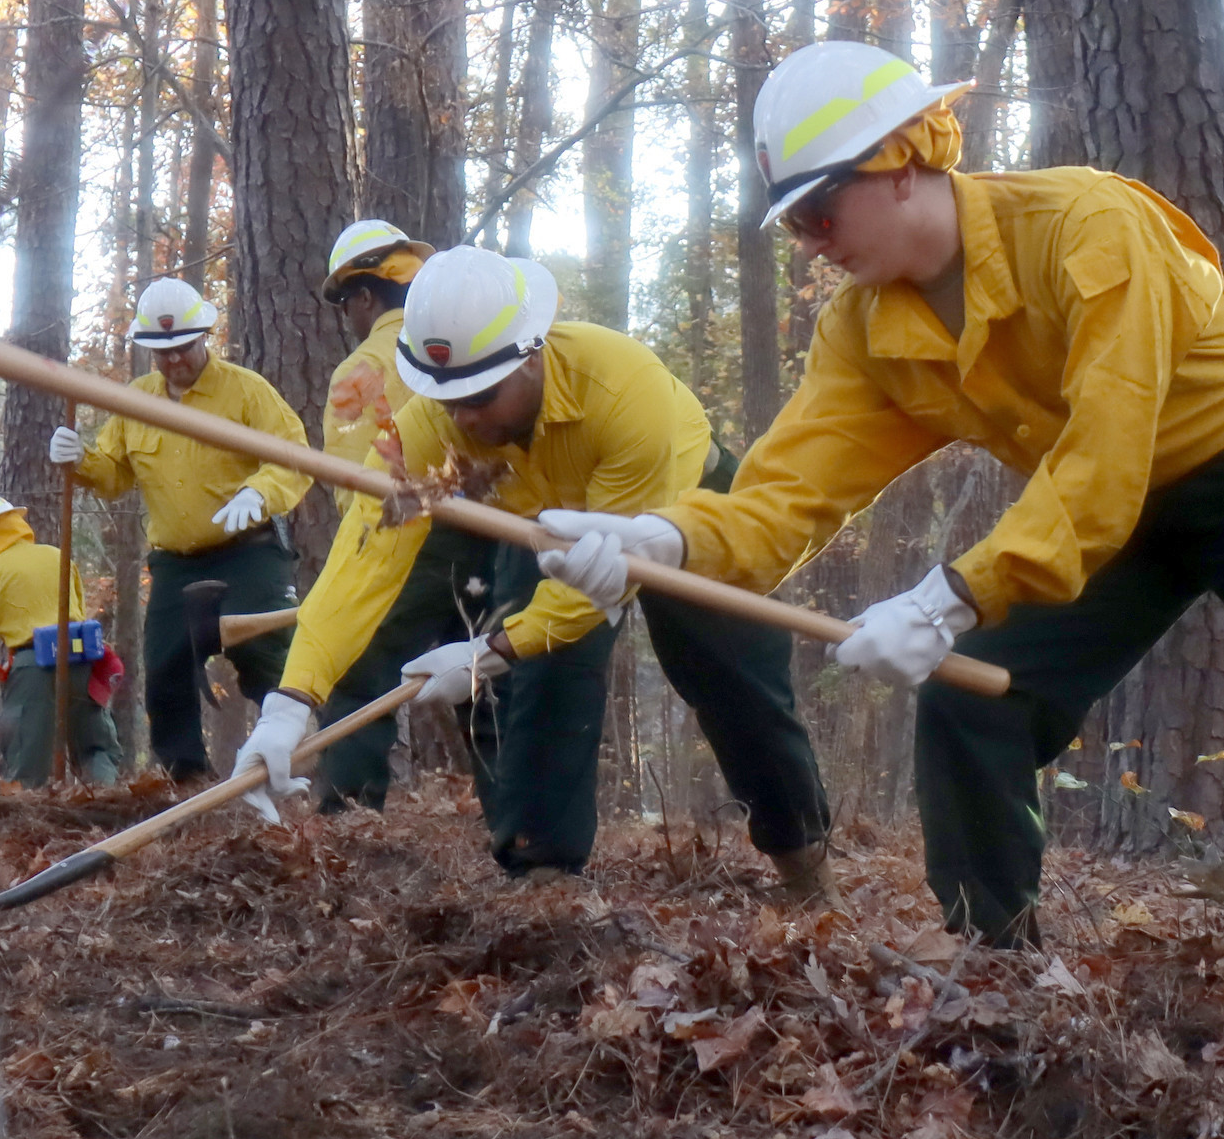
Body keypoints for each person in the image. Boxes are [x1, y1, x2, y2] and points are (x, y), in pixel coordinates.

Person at [534, 39, 1224, 992]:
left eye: (821, 207)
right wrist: (663, 540)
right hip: (1120, 516)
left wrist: (956, 592)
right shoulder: (867, 334)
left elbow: (1104, 452)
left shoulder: (1089, 225)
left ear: (904, 162)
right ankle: (994, 980)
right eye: (795, 220)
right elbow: (784, 497)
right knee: (973, 702)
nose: (810, 239)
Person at [231, 245, 836, 895]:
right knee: (542, 682)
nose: (461, 417)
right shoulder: (431, 426)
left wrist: (492, 648)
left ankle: (804, 866)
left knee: (734, 679)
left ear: (531, 352)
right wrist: (290, 705)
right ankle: (546, 879)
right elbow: (364, 562)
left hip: (679, 507)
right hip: (540, 519)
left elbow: (609, 581)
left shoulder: (624, 390)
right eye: (445, 396)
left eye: (480, 395)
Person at [50, 278, 311, 780]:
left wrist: (260, 493)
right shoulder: (137, 401)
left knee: (268, 657)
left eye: (184, 348)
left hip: (248, 552)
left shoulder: (246, 391)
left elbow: (293, 458)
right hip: (175, 562)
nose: (174, 361)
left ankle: (295, 762)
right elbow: (113, 473)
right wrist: (80, 459)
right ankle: (185, 783)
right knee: (167, 668)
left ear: (205, 337)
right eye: (162, 352)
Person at [311, 220, 488, 811]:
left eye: (347, 306)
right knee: (488, 669)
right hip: (487, 538)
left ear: (365, 296)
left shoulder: (357, 374)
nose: (349, 319)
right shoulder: (463, 344)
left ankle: (346, 818)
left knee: (360, 669)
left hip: (406, 545)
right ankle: (520, 819)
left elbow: (354, 489)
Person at [0, 492, 121, 787]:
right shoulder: (57, 555)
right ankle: (111, 809)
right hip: (82, 656)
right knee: (95, 746)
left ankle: (27, 828)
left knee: (26, 759)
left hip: (33, 668)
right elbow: (75, 609)